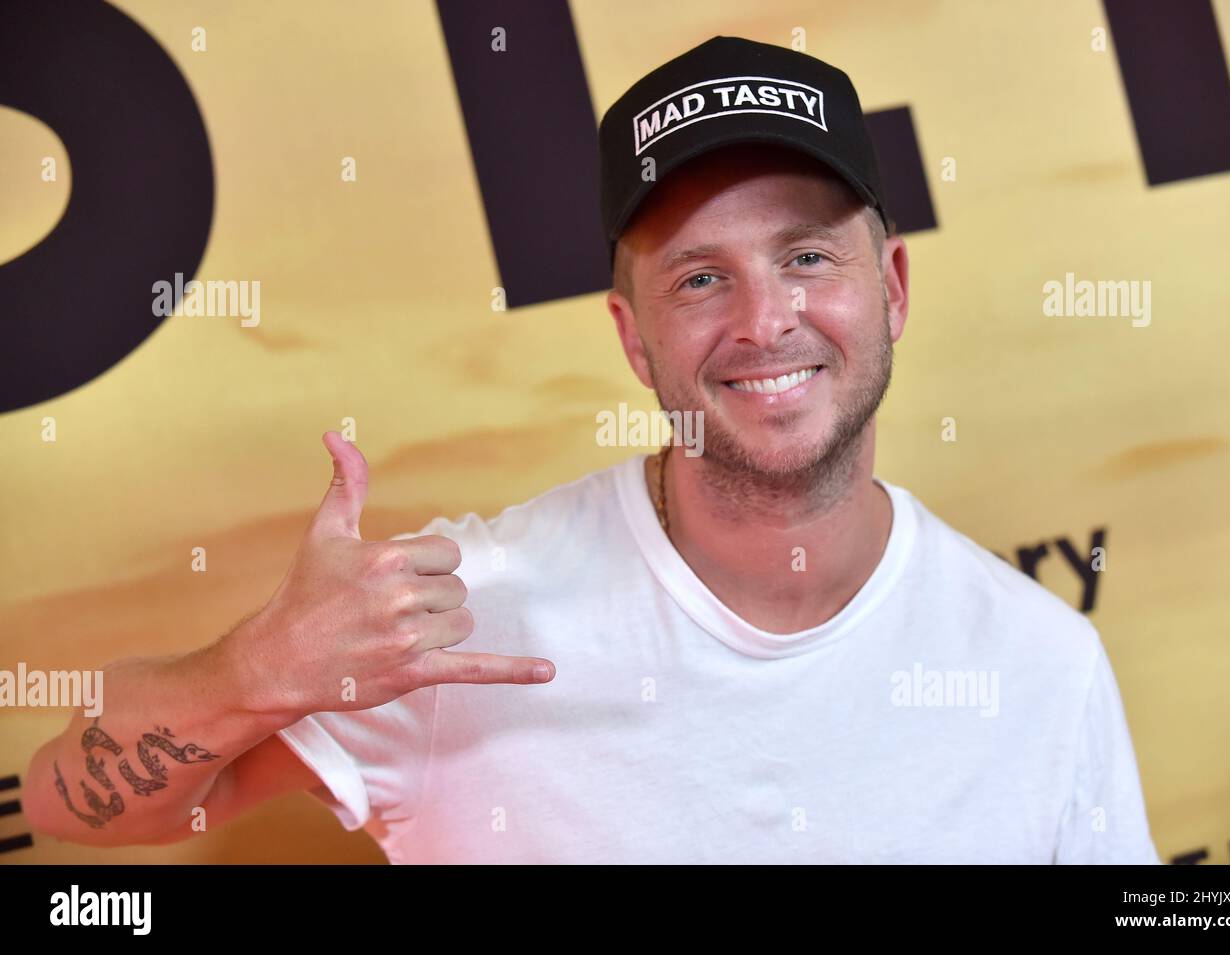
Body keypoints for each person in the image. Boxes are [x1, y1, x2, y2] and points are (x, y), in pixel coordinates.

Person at [24, 35, 1161, 864]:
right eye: (701, 277)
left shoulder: (1042, 663)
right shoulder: (459, 610)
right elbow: (72, 808)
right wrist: (250, 670)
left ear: (892, 287)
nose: (766, 320)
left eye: (808, 257)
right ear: (632, 337)